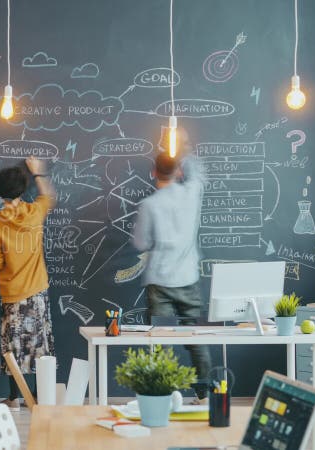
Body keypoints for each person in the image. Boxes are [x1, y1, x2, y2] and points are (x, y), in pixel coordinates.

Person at [132, 129, 211, 404]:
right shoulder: (192, 192)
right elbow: (198, 174)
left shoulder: (149, 204)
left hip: (160, 282)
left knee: (160, 342)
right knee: (196, 340)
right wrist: (184, 147)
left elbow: (141, 243)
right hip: (188, 279)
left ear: (153, 172)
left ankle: (160, 396)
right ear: (178, 171)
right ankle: (204, 396)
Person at [0, 156, 56, 412]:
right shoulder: (35, 212)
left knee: (11, 344)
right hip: (37, 289)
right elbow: (49, 196)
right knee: (39, 343)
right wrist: (38, 173)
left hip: (12, 293)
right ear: (22, 189)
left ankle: (14, 397)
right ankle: (37, 396)